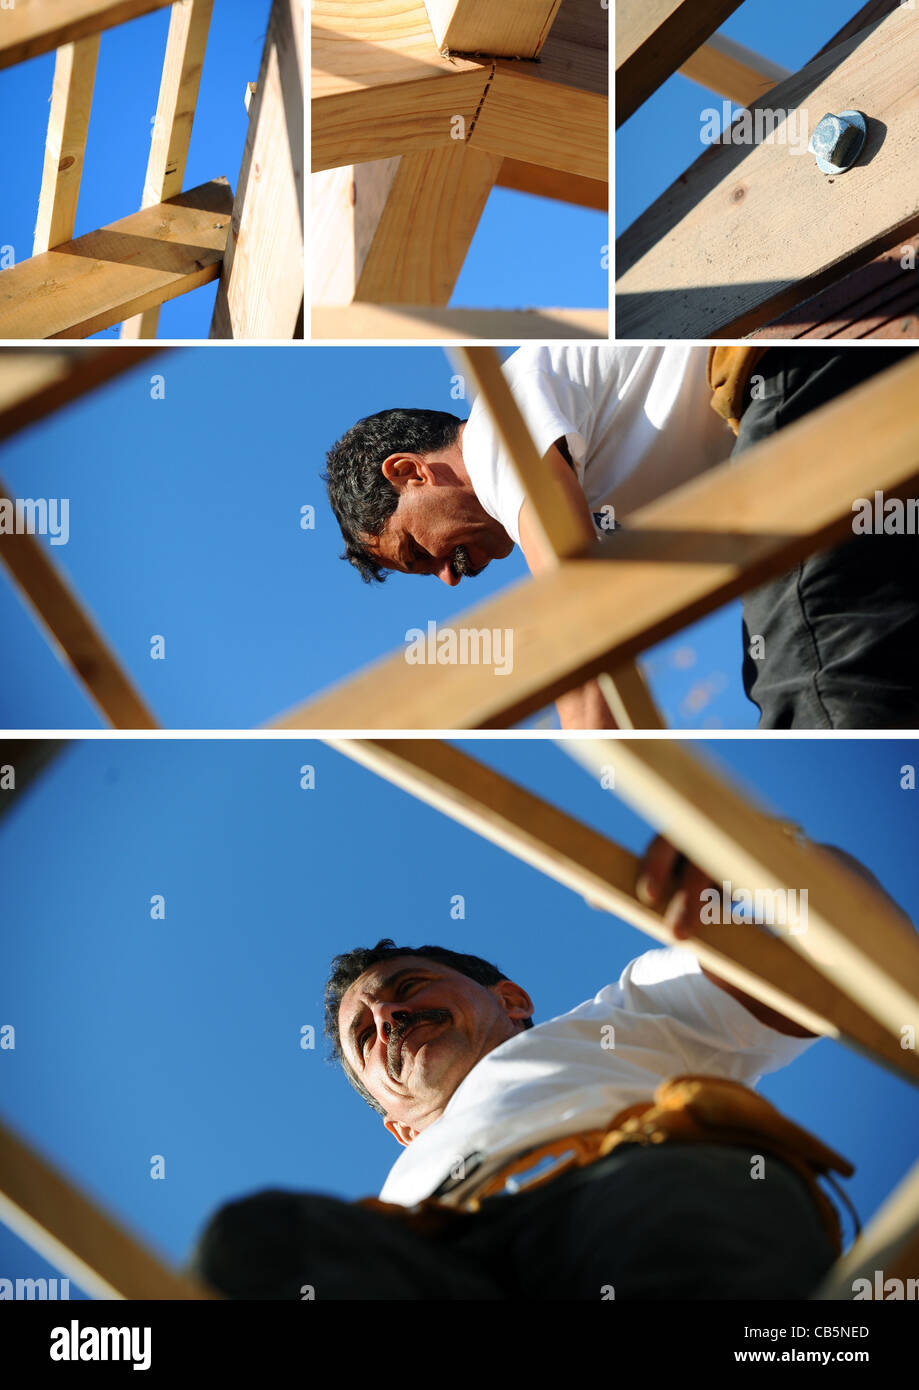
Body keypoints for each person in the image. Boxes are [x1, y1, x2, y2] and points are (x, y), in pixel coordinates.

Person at [189, 838, 873, 1301]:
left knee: (679, 1218)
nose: (389, 1021)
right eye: (364, 1033)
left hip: (632, 1182)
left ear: (512, 1000)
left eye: (407, 989)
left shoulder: (625, 1015)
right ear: (397, 1126)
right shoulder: (397, 1192)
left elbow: (832, 957)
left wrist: (755, 853)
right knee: (255, 1242)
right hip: (437, 1257)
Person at [323, 345, 919, 730]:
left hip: (795, 363)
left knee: (810, 670)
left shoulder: (493, 437)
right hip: (829, 389)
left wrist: (614, 769)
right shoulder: (579, 493)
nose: (449, 576)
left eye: (418, 553)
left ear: (409, 471)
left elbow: (580, 619)